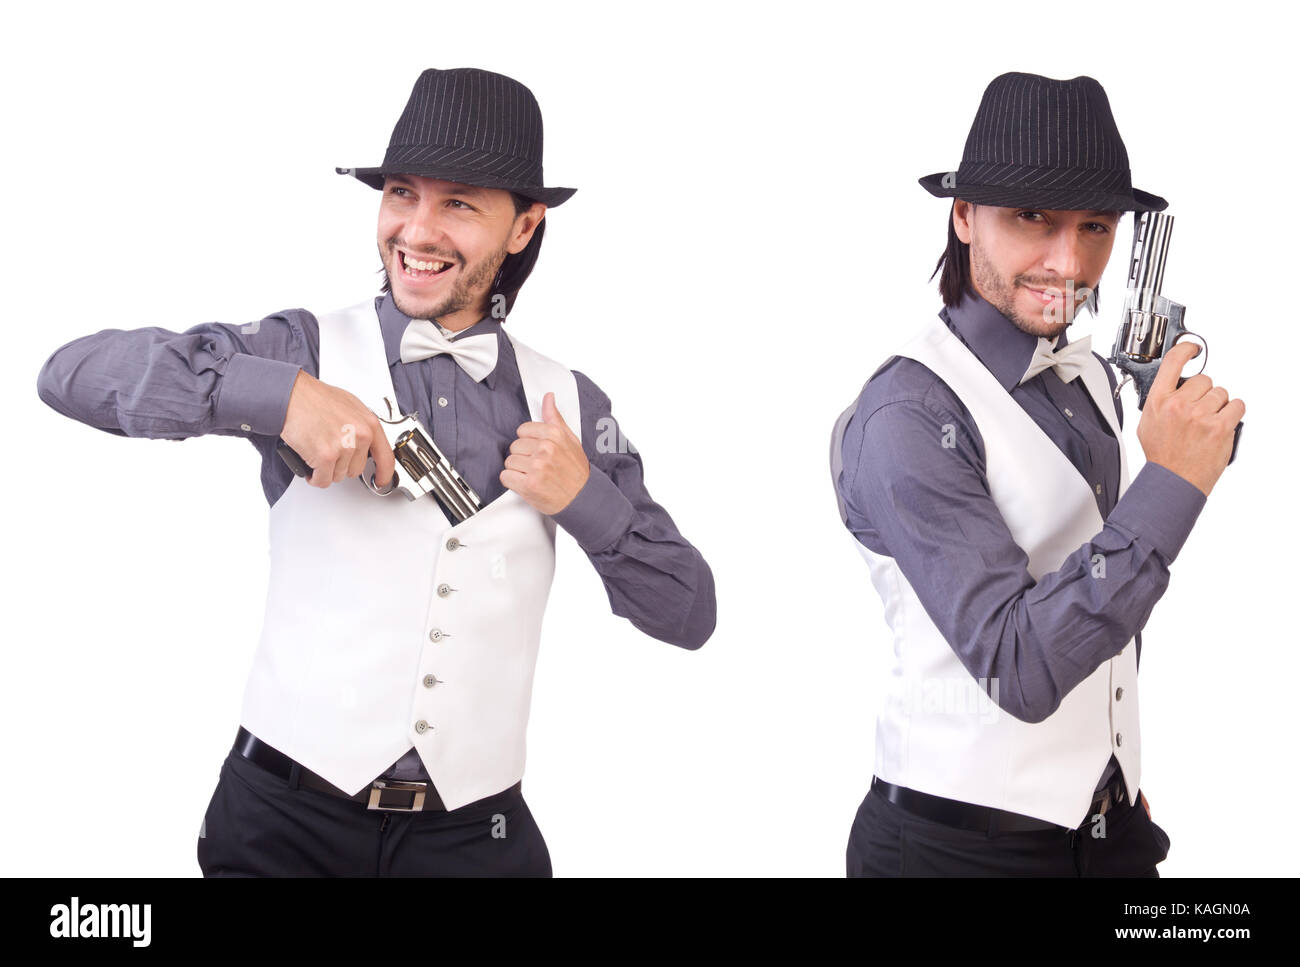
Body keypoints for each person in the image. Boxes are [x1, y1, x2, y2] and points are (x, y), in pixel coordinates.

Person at [36, 66, 716, 876]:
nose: (417, 231)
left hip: (476, 838)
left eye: (459, 203)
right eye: (401, 193)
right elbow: (70, 374)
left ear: (525, 226)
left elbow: (689, 611)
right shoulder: (304, 349)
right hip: (281, 822)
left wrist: (584, 499)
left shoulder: (570, 402)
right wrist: (277, 394)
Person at [829, 72, 1243, 876]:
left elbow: (1092, 572)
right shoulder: (905, 416)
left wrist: (1106, 772)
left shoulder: (1082, 374)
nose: (1069, 262)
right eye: (1032, 218)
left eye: (1094, 225)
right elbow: (1018, 666)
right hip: (954, 853)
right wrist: (1174, 483)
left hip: (1102, 831)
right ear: (963, 215)